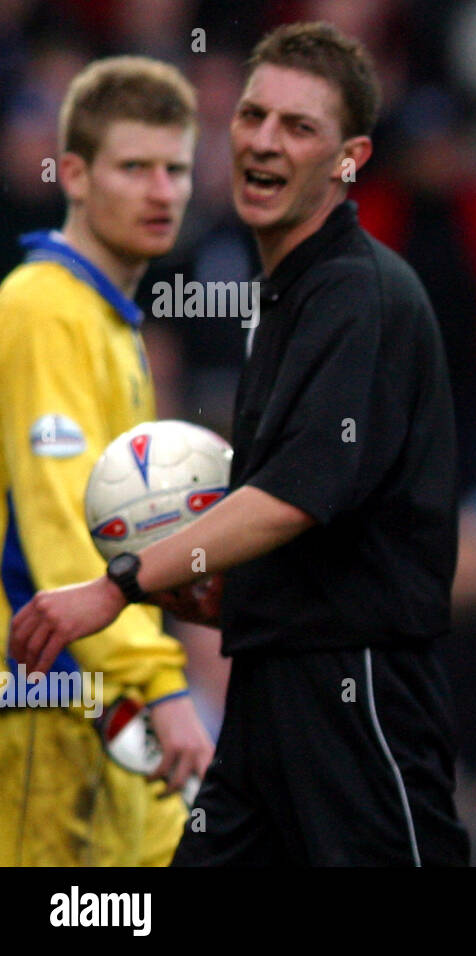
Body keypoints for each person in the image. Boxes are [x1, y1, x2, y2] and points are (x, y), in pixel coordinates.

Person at [10, 21, 470, 866]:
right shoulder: (291, 295)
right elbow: (313, 517)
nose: (263, 139)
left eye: (298, 127)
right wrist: (230, 592)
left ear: (349, 159)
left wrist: (119, 585)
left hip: (355, 693)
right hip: (270, 688)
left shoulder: (356, 293)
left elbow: (297, 494)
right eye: (253, 116)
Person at [0, 56, 213, 865]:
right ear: (77, 174)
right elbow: (62, 523)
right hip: (42, 697)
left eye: (176, 169)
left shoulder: (108, 317)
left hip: (100, 696)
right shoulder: (42, 307)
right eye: (135, 167)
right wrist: (160, 682)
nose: (162, 190)